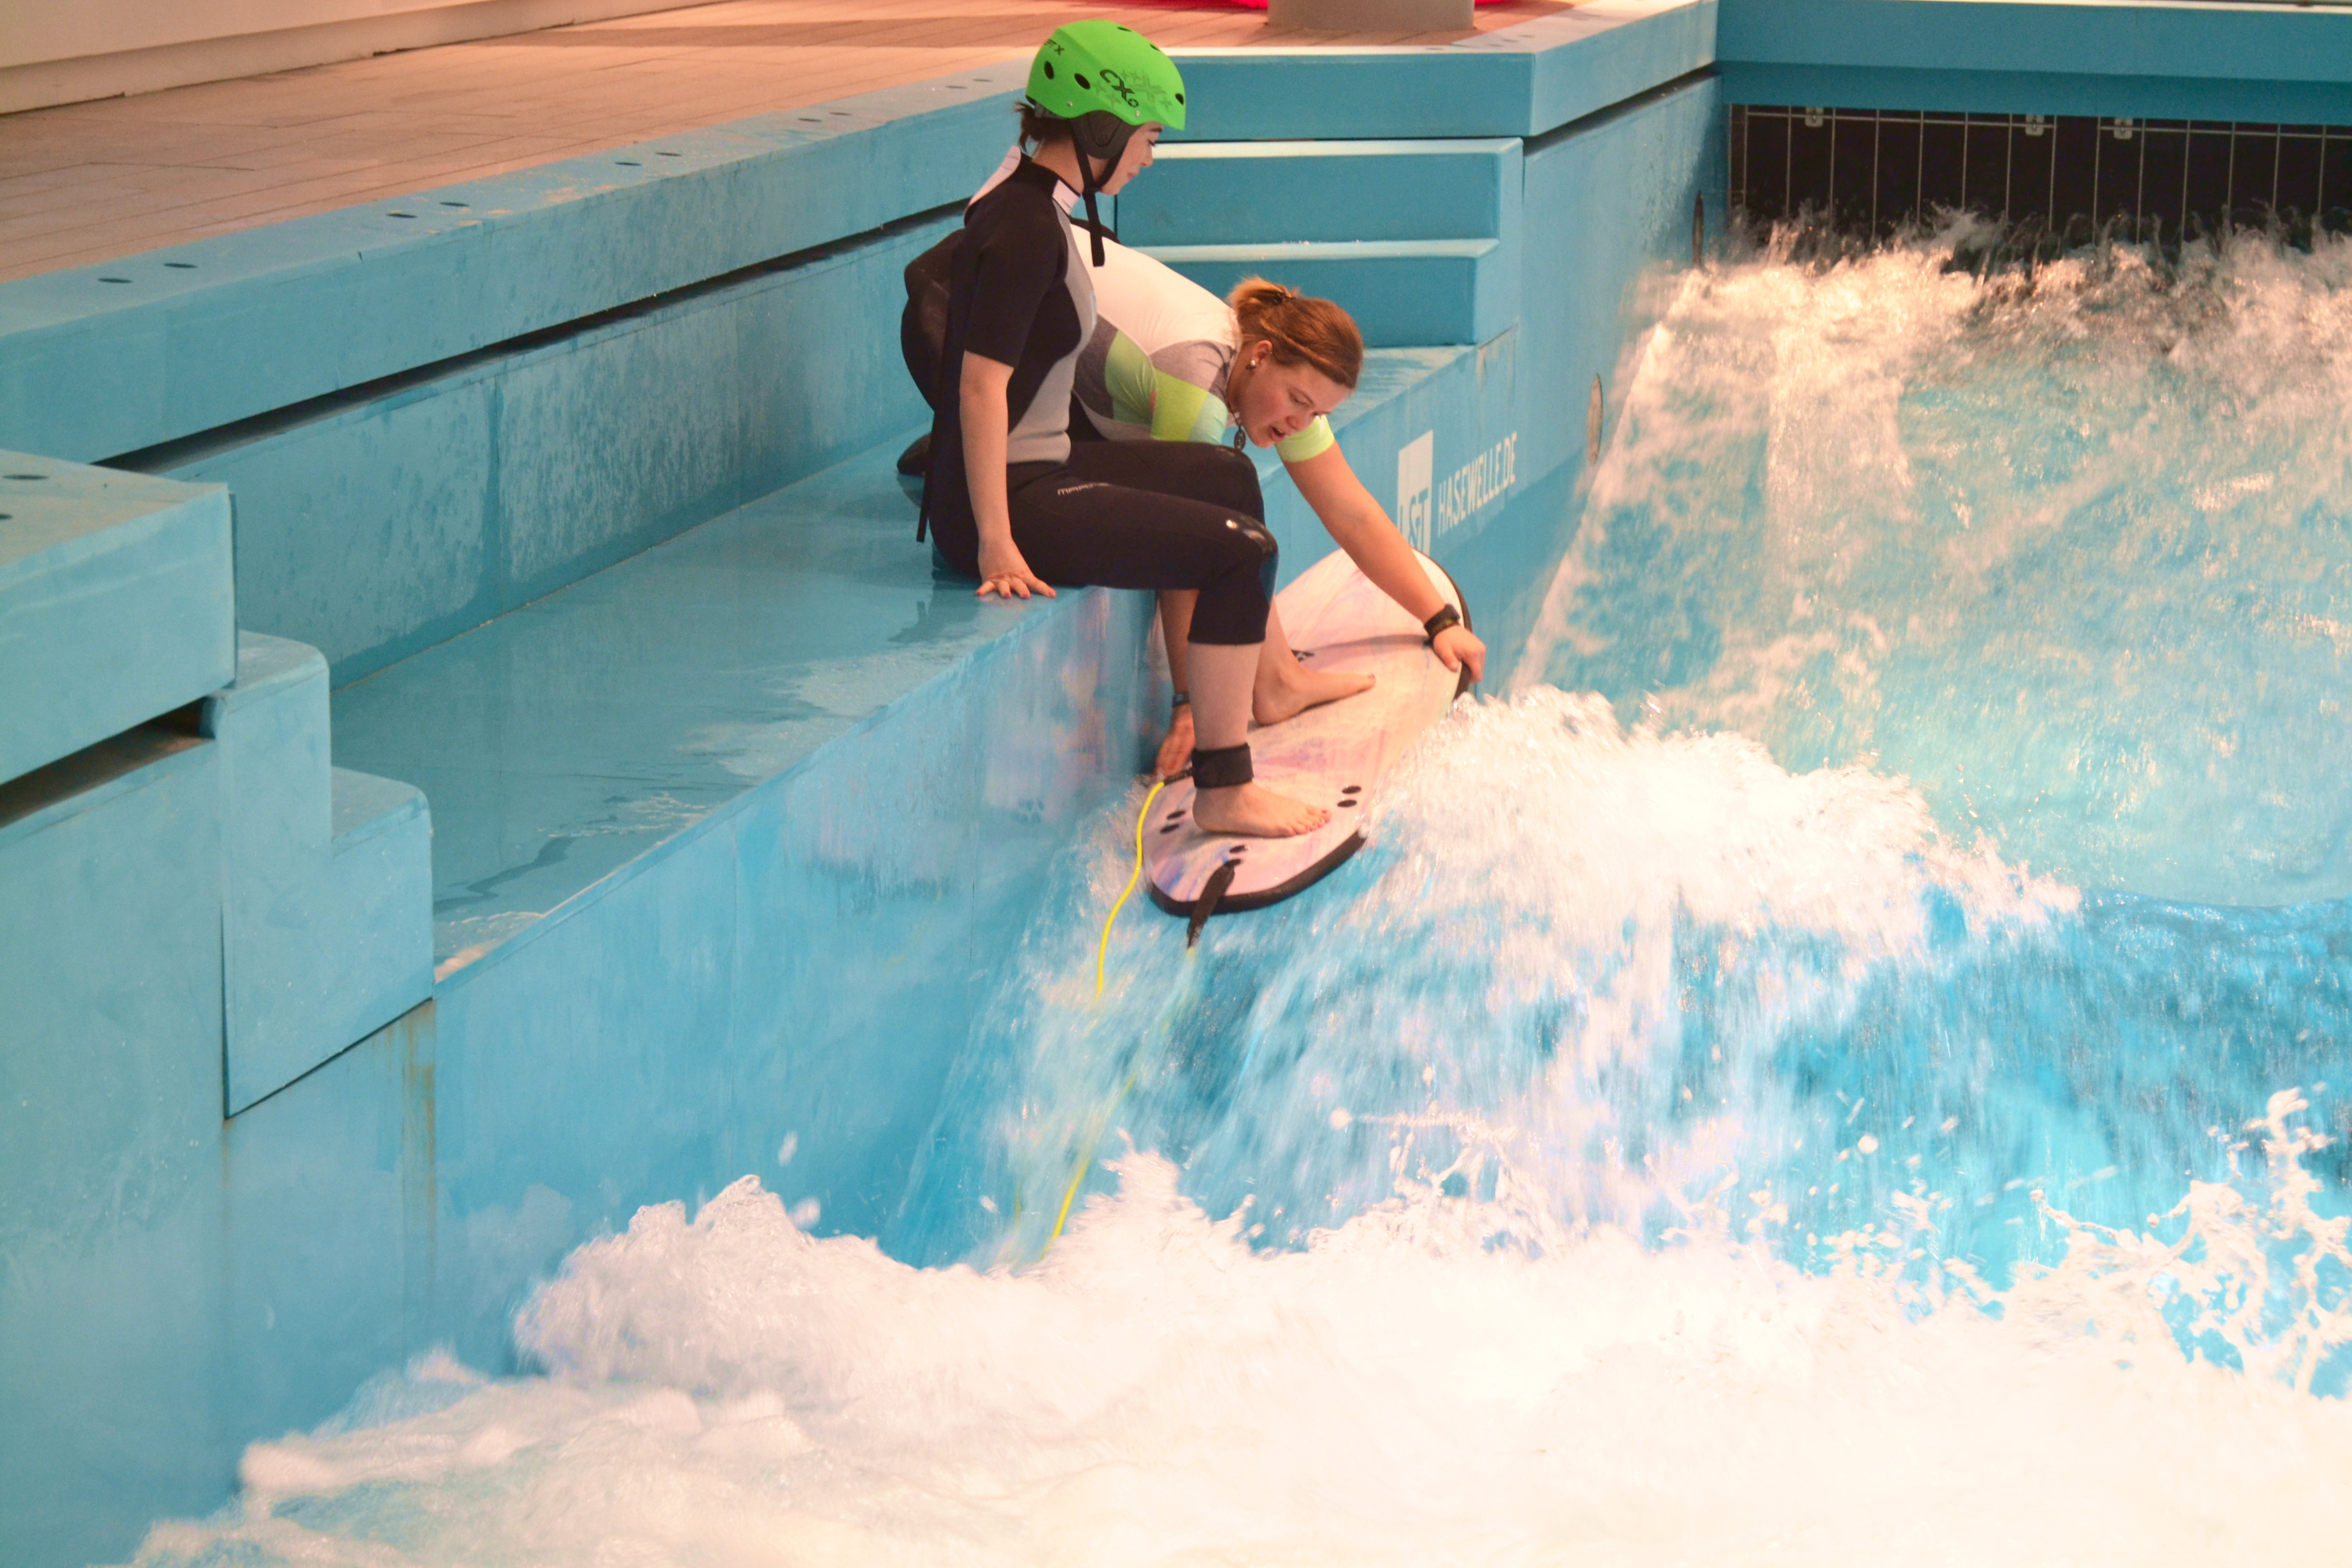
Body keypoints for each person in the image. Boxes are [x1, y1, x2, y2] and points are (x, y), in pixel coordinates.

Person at [922, 21, 1327, 838]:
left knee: (1229, 478)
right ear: (1099, 129)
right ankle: (1224, 783)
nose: (1149, 155)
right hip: (1014, 497)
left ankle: (1235, 692)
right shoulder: (1029, 229)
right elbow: (978, 386)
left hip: (1043, 467)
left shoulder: (1038, 210)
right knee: (1240, 551)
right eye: (1145, 136)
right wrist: (996, 541)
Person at [1069, 260, 1489, 775]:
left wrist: (1438, 618)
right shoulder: (1198, 379)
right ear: (1262, 356)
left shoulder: (1265, 371)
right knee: (1220, 487)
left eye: (1317, 414)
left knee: (1223, 482)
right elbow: (1181, 554)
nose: (1300, 422)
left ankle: (1277, 678)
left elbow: (1349, 510)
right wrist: (1189, 706)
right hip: (976, 335)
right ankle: (1275, 681)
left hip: (1068, 383)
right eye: (1298, 402)